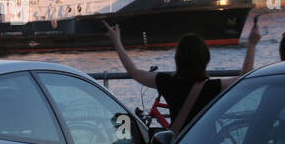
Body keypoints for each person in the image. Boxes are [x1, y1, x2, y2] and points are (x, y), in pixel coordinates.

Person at [106, 14, 261, 133]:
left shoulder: (168, 83)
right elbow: (243, 78)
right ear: (205, 58)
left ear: (177, 58)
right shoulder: (212, 87)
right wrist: (252, 44)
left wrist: (117, 42)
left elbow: (134, 72)